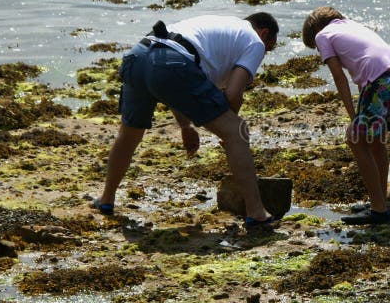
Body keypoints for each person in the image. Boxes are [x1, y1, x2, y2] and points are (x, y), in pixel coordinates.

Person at [93, 12, 279, 231]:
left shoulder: (220, 26)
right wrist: (229, 131)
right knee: (237, 131)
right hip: (172, 62)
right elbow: (232, 93)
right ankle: (256, 213)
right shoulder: (255, 42)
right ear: (264, 33)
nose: (262, 55)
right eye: (269, 50)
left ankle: (106, 199)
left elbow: (174, 76)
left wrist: (185, 125)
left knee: (129, 134)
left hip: (139, 55)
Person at [302, 6, 390, 225]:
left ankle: (379, 210)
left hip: (380, 81)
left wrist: (353, 116)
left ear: (315, 30)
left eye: (316, 48)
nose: (319, 51)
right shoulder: (352, 26)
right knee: (375, 142)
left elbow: (339, 78)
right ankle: (380, 201)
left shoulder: (323, 35)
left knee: (355, 139)